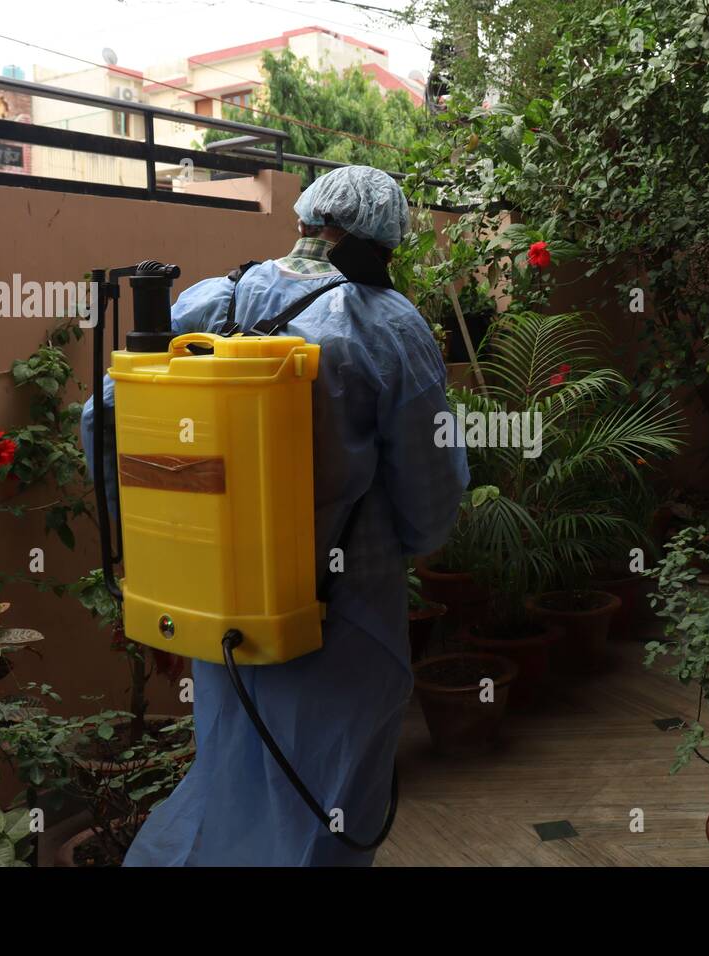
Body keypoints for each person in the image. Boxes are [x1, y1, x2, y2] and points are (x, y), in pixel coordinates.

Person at [80, 166, 469, 865]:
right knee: (328, 807)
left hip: (223, 611)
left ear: (307, 220)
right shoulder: (389, 325)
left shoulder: (215, 300)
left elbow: (102, 417)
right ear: (385, 241)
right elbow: (430, 496)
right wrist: (413, 538)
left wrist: (155, 565)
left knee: (235, 787)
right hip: (344, 622)